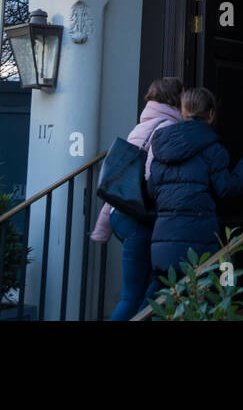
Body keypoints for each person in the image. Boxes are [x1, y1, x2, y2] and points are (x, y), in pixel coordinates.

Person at [90, 77, 183, 320]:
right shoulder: (167, 128)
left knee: (139, 292)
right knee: (139, 295)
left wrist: (103, 226)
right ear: (176, 99)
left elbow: (121, 180)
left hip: (121, 217)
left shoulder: (142, 126)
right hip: (139, 221)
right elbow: (150, 174)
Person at [148, 86, 243, 280]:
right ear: (211, 114)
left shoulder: (162, 146)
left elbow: (152, 191)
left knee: (167, 299)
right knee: (225, 280)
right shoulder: (213, 149)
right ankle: (228, 305)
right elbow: (226, 189)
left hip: (162, 247)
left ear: (182, 112)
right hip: (200, 247)